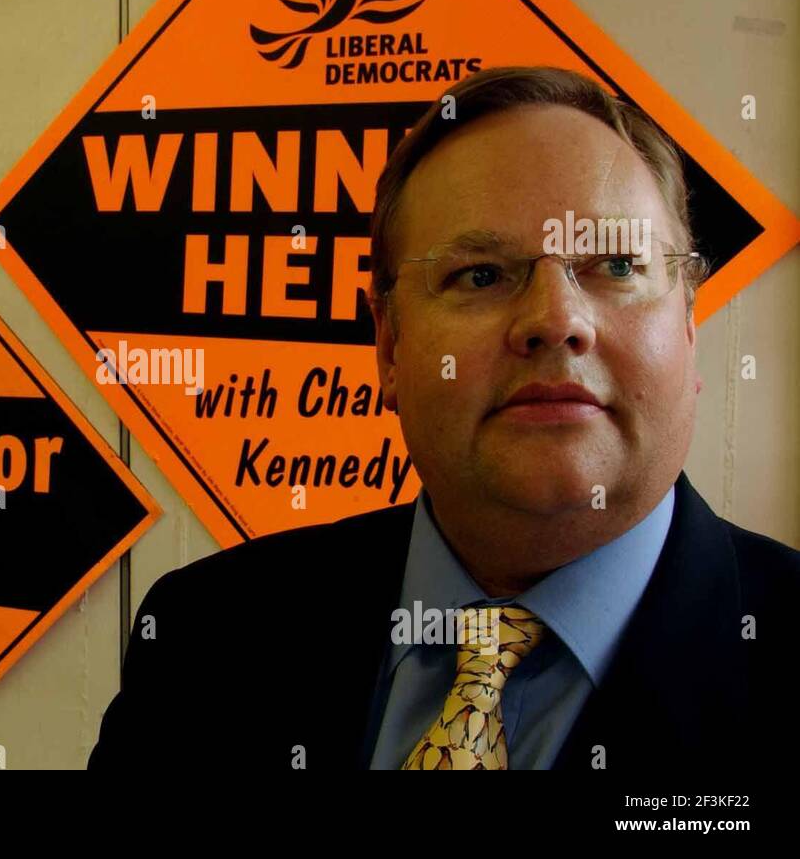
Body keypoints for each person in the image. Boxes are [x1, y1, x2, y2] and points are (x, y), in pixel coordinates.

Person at [88, 66, 799, 770]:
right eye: (481, 275)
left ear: (689, 324)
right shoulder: (204, 637)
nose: (556, 321)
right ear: (390, 346)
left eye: (615, 266)